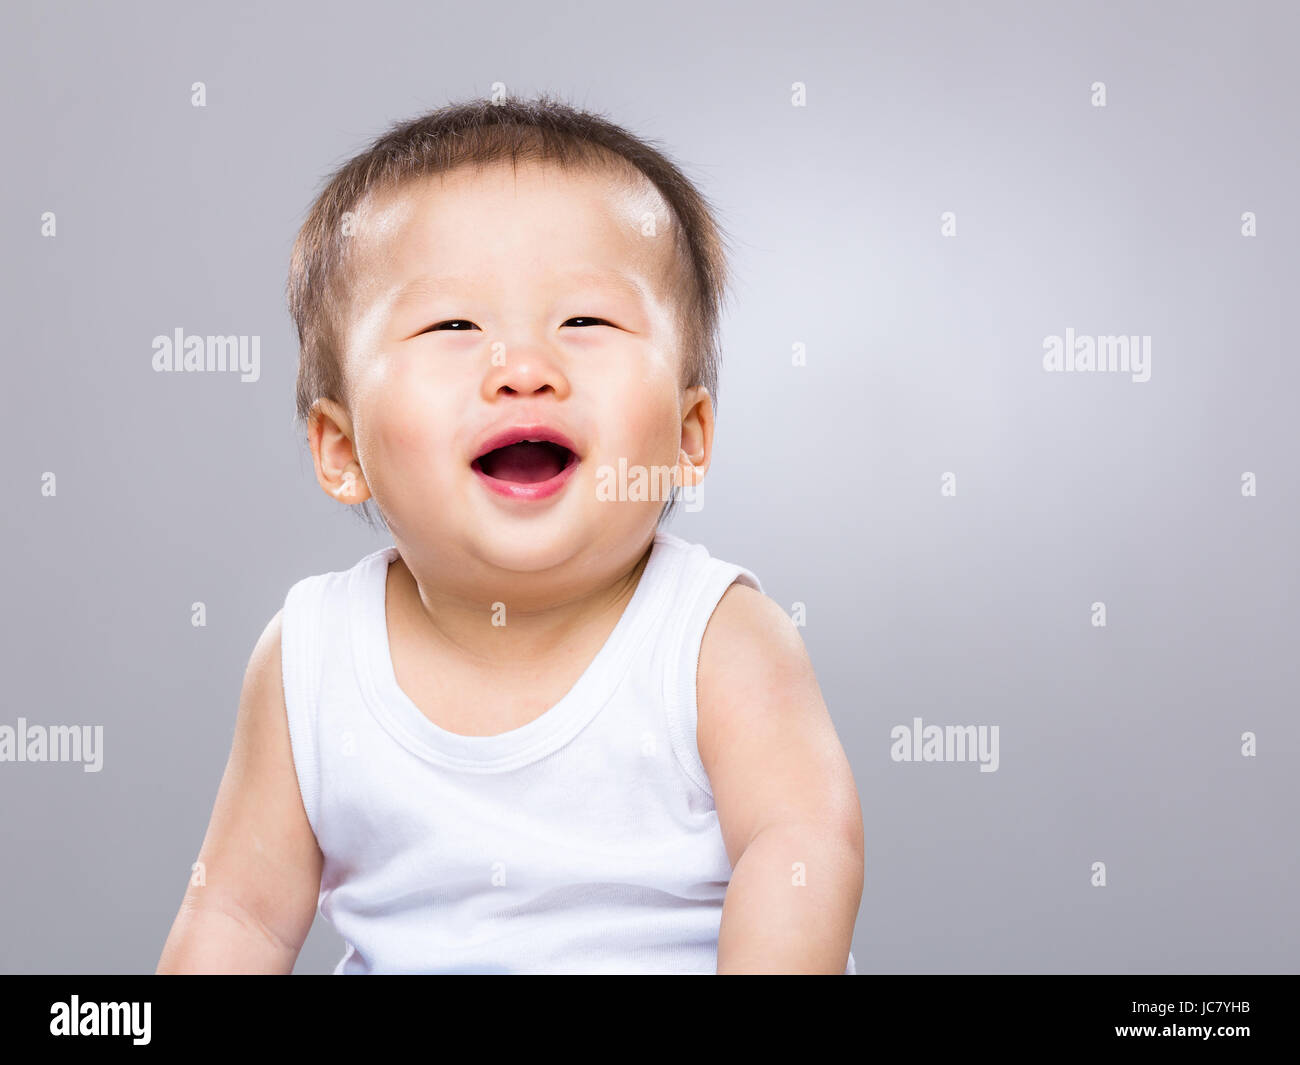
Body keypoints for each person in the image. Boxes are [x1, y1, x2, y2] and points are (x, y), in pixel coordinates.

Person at [157, 94, 862, 974]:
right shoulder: (311, 656)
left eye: (586, 322)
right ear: (342, 451)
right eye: (454, 326)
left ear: (688, 439)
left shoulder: (716, 637)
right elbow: (237, 916)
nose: (523, 370)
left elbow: (801, 847)